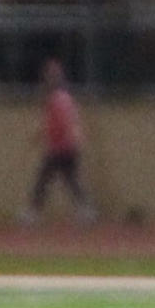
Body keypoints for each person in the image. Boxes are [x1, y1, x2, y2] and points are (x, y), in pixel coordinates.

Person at [20, 61, 91, 221]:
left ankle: (32, 212)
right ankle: (85, 210)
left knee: (44, 180)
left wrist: (68, 135)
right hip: (63, 146)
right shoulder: (62, 98)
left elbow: (64, 122)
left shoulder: (57, 99)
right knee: (70, 180)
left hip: (60, 147)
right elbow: (54, 122)